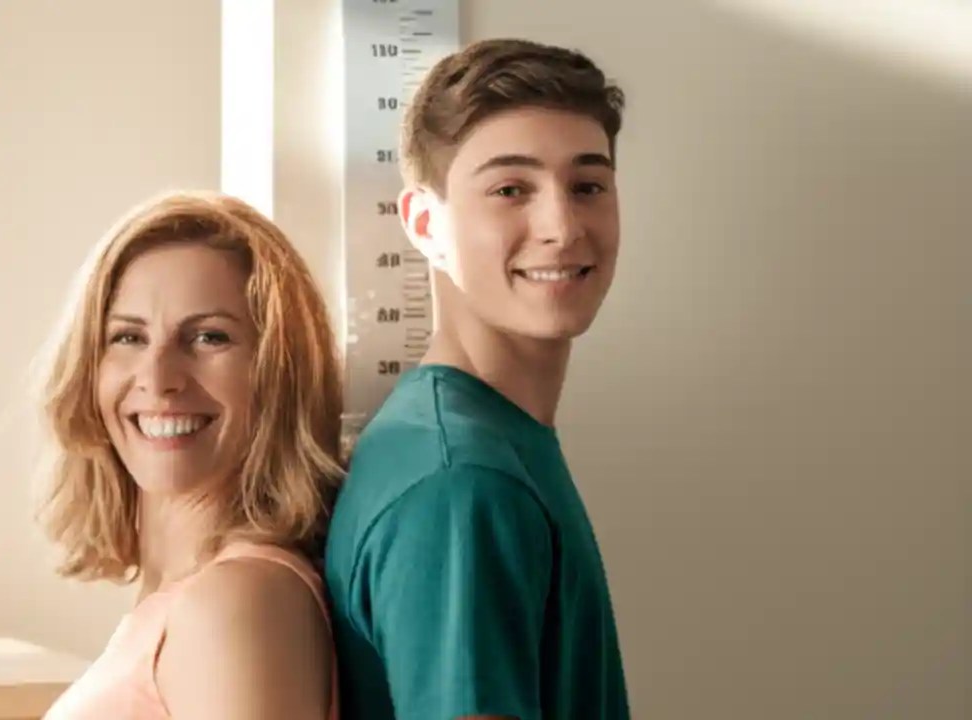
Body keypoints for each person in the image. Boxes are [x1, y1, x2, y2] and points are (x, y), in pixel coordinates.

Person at [324, 38, 632, 719]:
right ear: (425, 225)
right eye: (509, 190)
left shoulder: (484, 439)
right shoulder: (462, 485)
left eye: (588, 185)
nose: (562, 226)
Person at [39, 192, 342, 720]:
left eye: (208, 337)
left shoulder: (239, 602)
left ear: (278, 376)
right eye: (128, 337)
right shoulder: (183, 598)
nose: (159, 378)